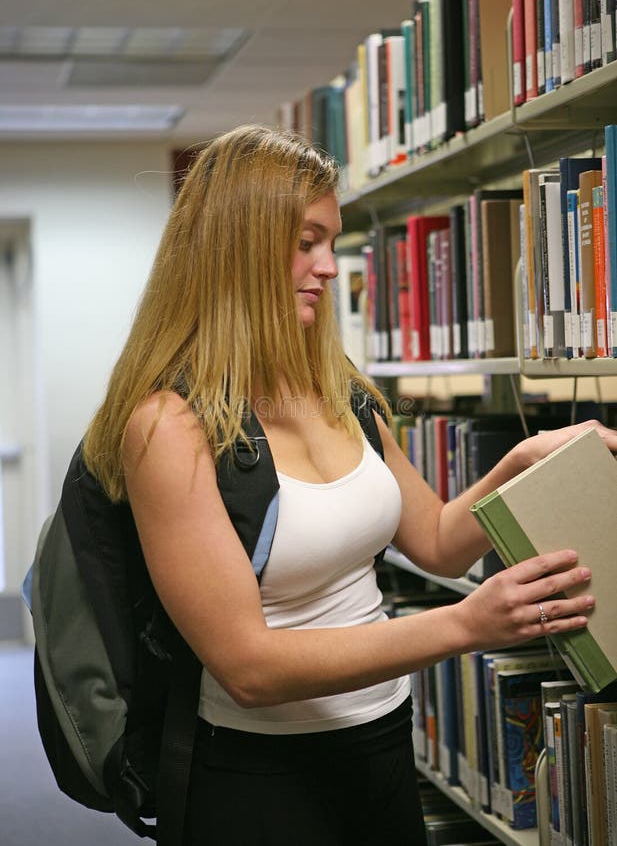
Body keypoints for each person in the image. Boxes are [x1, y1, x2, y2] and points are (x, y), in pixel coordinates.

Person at [81, 124, 617, 846]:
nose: (329, 267)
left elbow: (434, 543)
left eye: (330, 242)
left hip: (381, 744)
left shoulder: (340, 395)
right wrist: (464, 625)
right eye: (306, 242)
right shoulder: (169, 429)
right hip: (257, 777)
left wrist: (525, 458)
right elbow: (248, 667)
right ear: (237, 249)